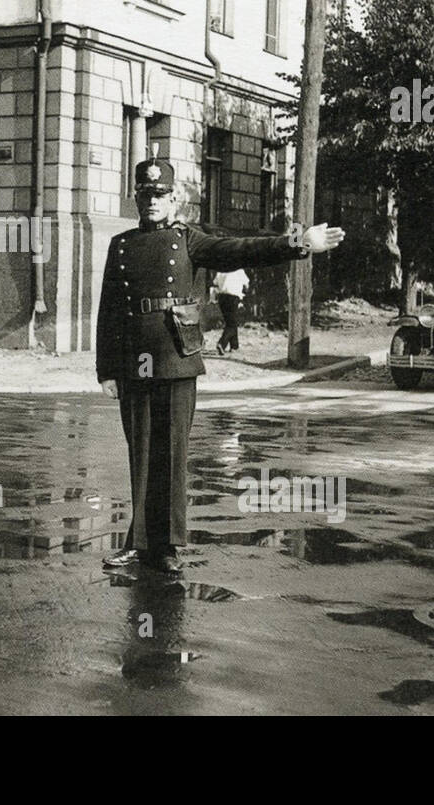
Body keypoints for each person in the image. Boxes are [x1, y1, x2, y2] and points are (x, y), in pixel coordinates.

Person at [96, 157, 345, 573]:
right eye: (144, 194)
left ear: (173, 198)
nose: (151, 202)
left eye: (159, 195)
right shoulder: (120, 244)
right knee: (139, 453)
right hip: (133, 362)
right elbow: (108, 310)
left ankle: (168, 547)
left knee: (172, 454)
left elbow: (241, 249)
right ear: (136, 197)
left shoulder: (190, 240)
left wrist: (298, 242)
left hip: (176, 357)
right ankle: (138, 544)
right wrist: (106, 369)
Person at [212, 267, 248, 355]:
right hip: (233, 297)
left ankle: (234, 346)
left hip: (222, 297)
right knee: (232, 324)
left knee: (230, 321)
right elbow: (246, 284)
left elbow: (215, 283)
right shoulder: (239, 270)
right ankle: (222, 343)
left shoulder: (221, 269)